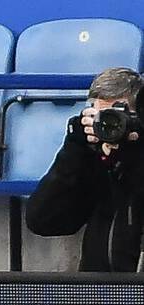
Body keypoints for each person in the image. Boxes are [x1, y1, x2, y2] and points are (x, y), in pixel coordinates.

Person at [26, 66, 144, 272]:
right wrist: (75, 148)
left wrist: (133, 155)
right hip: (98, 290)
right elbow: (43, 220)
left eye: (118, 114)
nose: (109, 125)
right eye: (100, 117)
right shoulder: (96, 160)